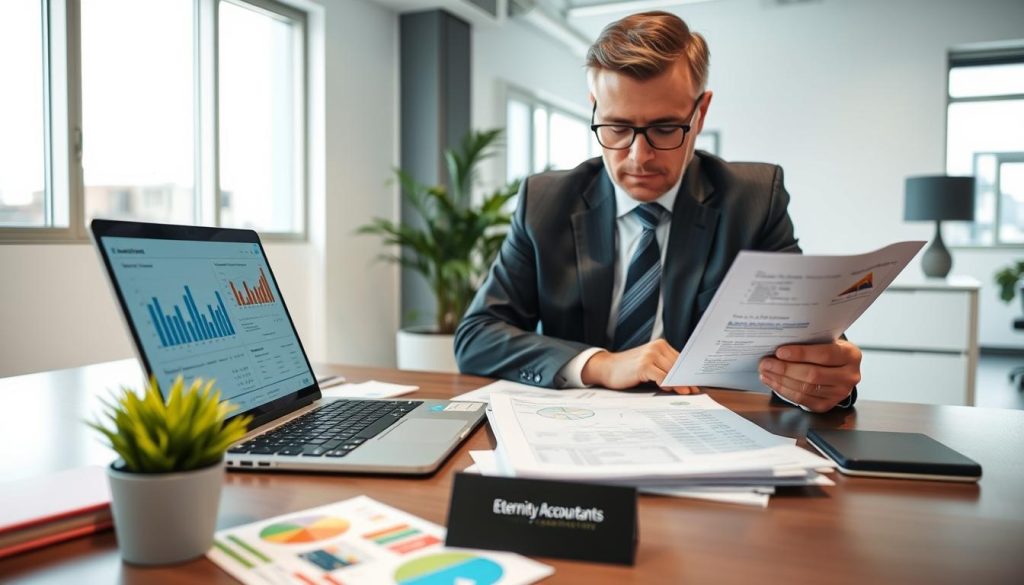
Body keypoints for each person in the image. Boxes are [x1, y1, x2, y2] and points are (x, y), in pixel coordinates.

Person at [454, 11, 860, 412]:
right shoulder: (545, 201)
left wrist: (824, 381)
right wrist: (601, 365)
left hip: (704, 433)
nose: (638, 156)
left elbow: (803, 342)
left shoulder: (753, 201)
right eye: (617, 127)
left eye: (665, 129)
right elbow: (477, 336)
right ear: (594, 108)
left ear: (700, 113)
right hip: (573, 429)